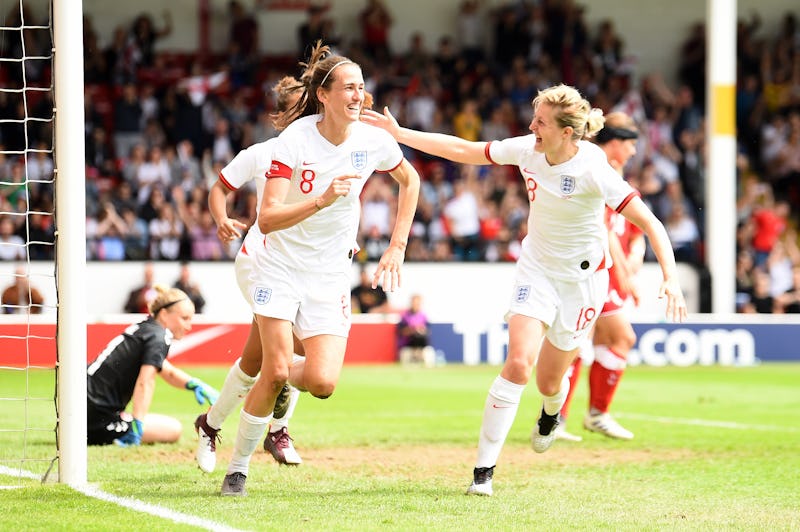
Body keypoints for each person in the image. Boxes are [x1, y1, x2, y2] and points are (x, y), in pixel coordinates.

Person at [361, 84, 687, 497]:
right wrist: (402, 134)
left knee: (550, 383)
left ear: (567, 132)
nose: (532, 126)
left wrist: (671, 279)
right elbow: (465, 149)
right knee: (518, 363)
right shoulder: (527, 149)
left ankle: (552, 411)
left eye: (541, 122)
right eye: (534, 118)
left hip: (583, 285)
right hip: (536, 273)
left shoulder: (594, 168)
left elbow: (652, 223)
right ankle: (483, 473)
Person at [217, 41, 420, 496]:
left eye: (363, 88)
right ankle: (238, 469)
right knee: (274, 372)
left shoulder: (375, 141)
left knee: (324, 382)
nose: (358, 96)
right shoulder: (294, 141)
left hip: (329, 275)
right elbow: (266, 218)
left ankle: (277, 373)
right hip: (279, 266)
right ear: (324, 95)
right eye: (349, 87)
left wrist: (397, 245)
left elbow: (411, 180)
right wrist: (321, 199)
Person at [195, 77, 306, 473]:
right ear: (281, 116)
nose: (305, 115)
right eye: (296, 109)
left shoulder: (327, 152)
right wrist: (222, 218)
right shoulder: (262, 154)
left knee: (253, 363)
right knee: (294, 349)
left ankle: (209, 425)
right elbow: (218, 188)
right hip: (260, 262)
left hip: (302, 265)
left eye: (309, 106)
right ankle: (279, 429)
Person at [555, 112, 646, 443]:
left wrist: (636, 253)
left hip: (606, 270)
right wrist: (625, 277)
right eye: (631, 144)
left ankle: (559, 417)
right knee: (619, 338)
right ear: (615, 142)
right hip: (595, 268)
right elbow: (603, 232)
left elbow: (634, 230)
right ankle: (590, 414)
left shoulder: (619, 177)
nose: (634, 151)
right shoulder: (596, 173)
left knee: (579, 342)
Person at [87, 285, 219, 446]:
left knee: (161, 424)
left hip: (80, 410)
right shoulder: (159, 336)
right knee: (173, 429)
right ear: (164, 314)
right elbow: (146, 382)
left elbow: (166, 370)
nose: (189, 326)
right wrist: (138, 425)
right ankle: (119, 434)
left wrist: (194, 385)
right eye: (184, 318)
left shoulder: (146, 328)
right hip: (97, 420)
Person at [397, 293, 435, 367]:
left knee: (427, 349)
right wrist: (413, 329)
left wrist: (421, 330)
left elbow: (427, 331)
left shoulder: (423, 316)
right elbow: (401, 331)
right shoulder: (405, 316)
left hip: (421, 346)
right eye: (414, 302)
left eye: (418, 303)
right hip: (409, 345)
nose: (416, 305)